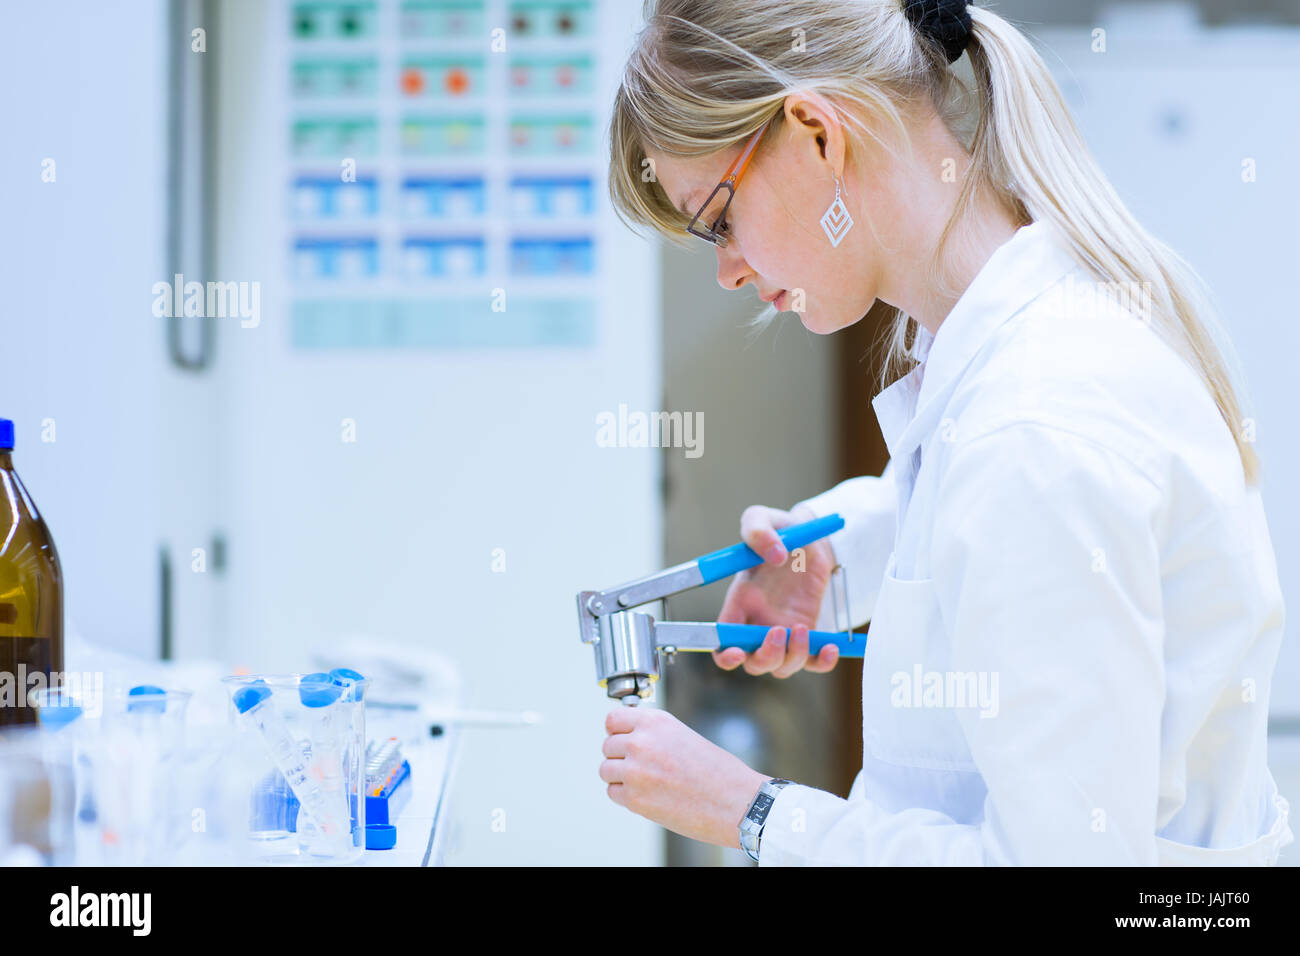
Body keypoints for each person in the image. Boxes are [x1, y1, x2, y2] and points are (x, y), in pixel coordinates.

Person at [597, 0, 1293, 865]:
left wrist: (754, 811)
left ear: (817, 134)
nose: (729, 270)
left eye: (720, 220)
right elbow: (974, 527)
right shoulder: (1015, 354)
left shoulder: (1037, 427)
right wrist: (840, 556)